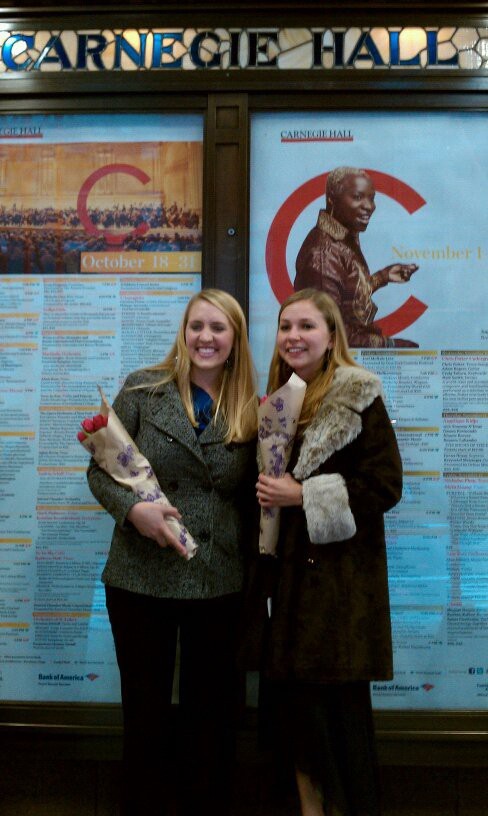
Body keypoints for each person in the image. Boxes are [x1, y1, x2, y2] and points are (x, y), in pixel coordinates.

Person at [87, 288, 258, 816]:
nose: (206, 337)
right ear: (183, 333)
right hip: (140, 574)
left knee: (213, 712)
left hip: (217, 576)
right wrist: (131, 511)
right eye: (197, 326)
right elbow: (101, 469)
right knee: (146, 709)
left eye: (219, 328)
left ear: (235, 338)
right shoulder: (143, 388)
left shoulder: (254, 404)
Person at [256, 288, 403, 816]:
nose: (293, 336)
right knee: (297, 727)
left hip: (340, 598)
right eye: (285, 326)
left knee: (338, 730)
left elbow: (385, 487)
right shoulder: (279, 397)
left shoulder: (359, 394)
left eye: (306, 326)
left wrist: (303, 495)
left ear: (331, 335)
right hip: (290, 597)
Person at [294, 165, 419, 348]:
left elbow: (347, 298)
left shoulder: (341, 239)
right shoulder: (323, 254)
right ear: (332, 200)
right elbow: (332, 336)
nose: (369, 207)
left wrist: (383, 277)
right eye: (358, 197)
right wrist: (389, 345)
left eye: (372, 198)